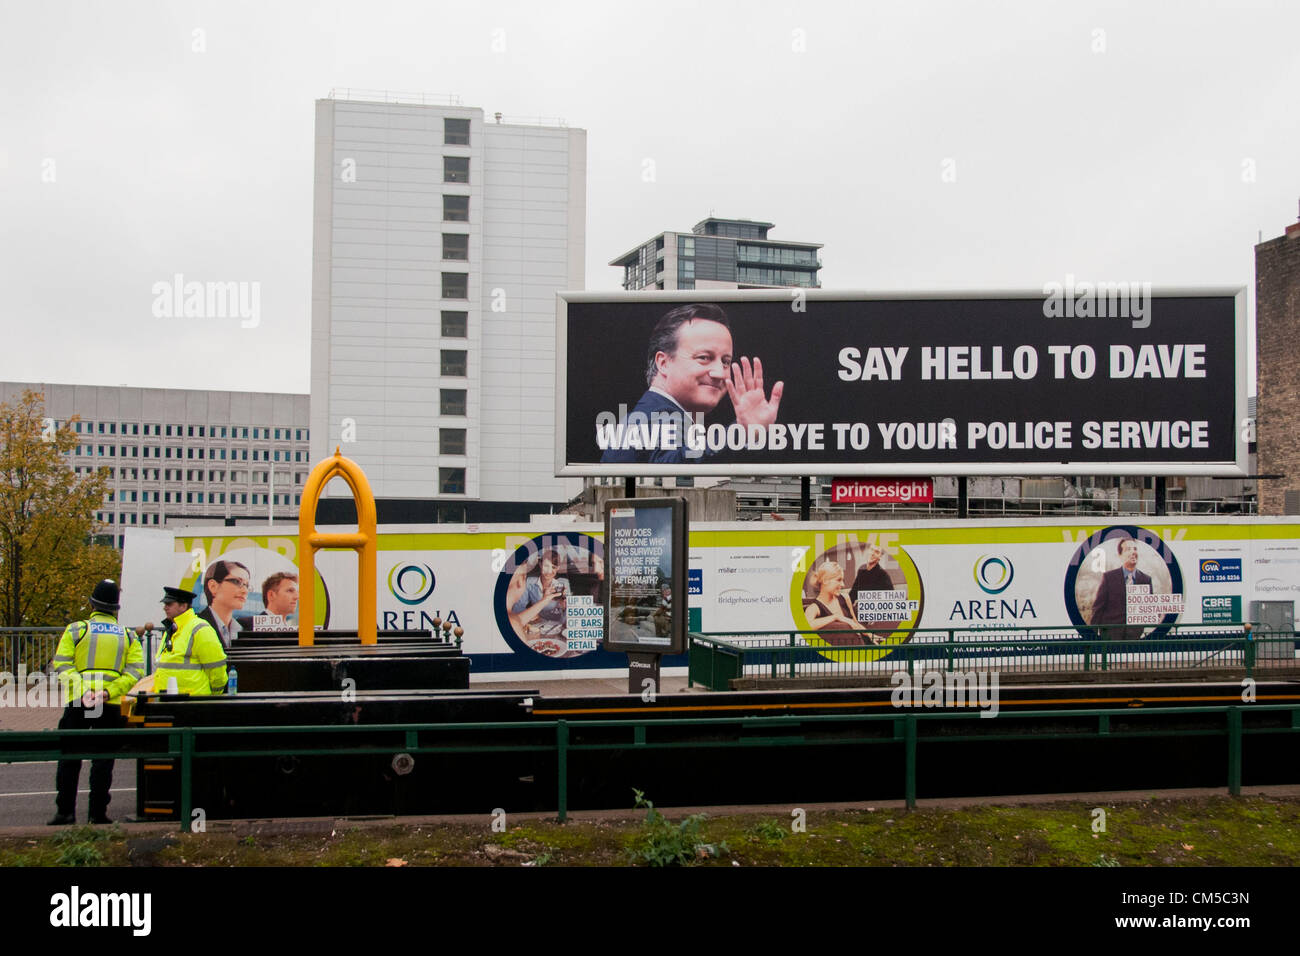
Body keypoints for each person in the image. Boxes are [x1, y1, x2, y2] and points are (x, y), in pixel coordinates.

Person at [600, 303, 784, 463]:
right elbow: (670, 471)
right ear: (663, 363)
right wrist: (740, 431)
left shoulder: (653, 413)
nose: (719, 373)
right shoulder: (658, 415)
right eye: (704, 357)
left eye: (725, 361)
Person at [48, 579, 144, 825]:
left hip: (80, 704)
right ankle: (98, 815)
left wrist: (85, 690)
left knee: (70, 758)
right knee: (103, 761)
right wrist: (106, 692)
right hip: (108, 704)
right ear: (115, 608)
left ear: (92, 603)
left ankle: (65, 813)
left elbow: (62, 664)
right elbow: (135, 672)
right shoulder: (128, 635)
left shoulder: (76, 630)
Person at [155, 585, 229, 696]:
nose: (165, 608)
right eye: (165, 604)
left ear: (183, 606)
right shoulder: (172, 629)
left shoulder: (200, 629)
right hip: (167, 699)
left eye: (169, 604)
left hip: (194, 702)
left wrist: (214, 696)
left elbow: (217, 669)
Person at [804, 561, 882, 646]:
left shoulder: (845, 598)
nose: (843, 584)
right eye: (839, 580)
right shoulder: (814, 608)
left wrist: (870, 635)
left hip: (860, 644)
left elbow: (855, 624)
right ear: (825, 580)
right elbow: (806, 627)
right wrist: (836, 617)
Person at [1089, 537, 1153, 641]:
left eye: (1135, 549)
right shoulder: (1109, 577)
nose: (1133, 552)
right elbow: (1098, 609)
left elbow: (1148, 609)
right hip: (1110, 635)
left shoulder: (1146, 579)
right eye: (1128, 549)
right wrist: (1092, 637)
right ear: (1120, 555)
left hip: (1135, 636)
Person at [509, 550, 569, 635]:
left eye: (553, 567)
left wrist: (564, 608)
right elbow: (517, 608)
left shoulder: (563, 584)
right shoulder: (530, 582)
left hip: (557, 628)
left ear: (558, 568)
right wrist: (532, 615)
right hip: (536, 626)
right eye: (546, 566)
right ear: (540, 565)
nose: (549, 571)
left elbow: (567, 617)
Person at [198, 560, 251, 649]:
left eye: (246, 585)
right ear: (213, 586)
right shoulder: (195, 626)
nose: (245, 591)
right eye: (237, 582)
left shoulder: (243, 630)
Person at [849, 544, 893, 612]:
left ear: (880, 556)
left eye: (877, 552)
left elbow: (890, 600)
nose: (872, 553)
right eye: (871, 549)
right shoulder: (861, 569)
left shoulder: (883, 575)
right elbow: (853, 593)